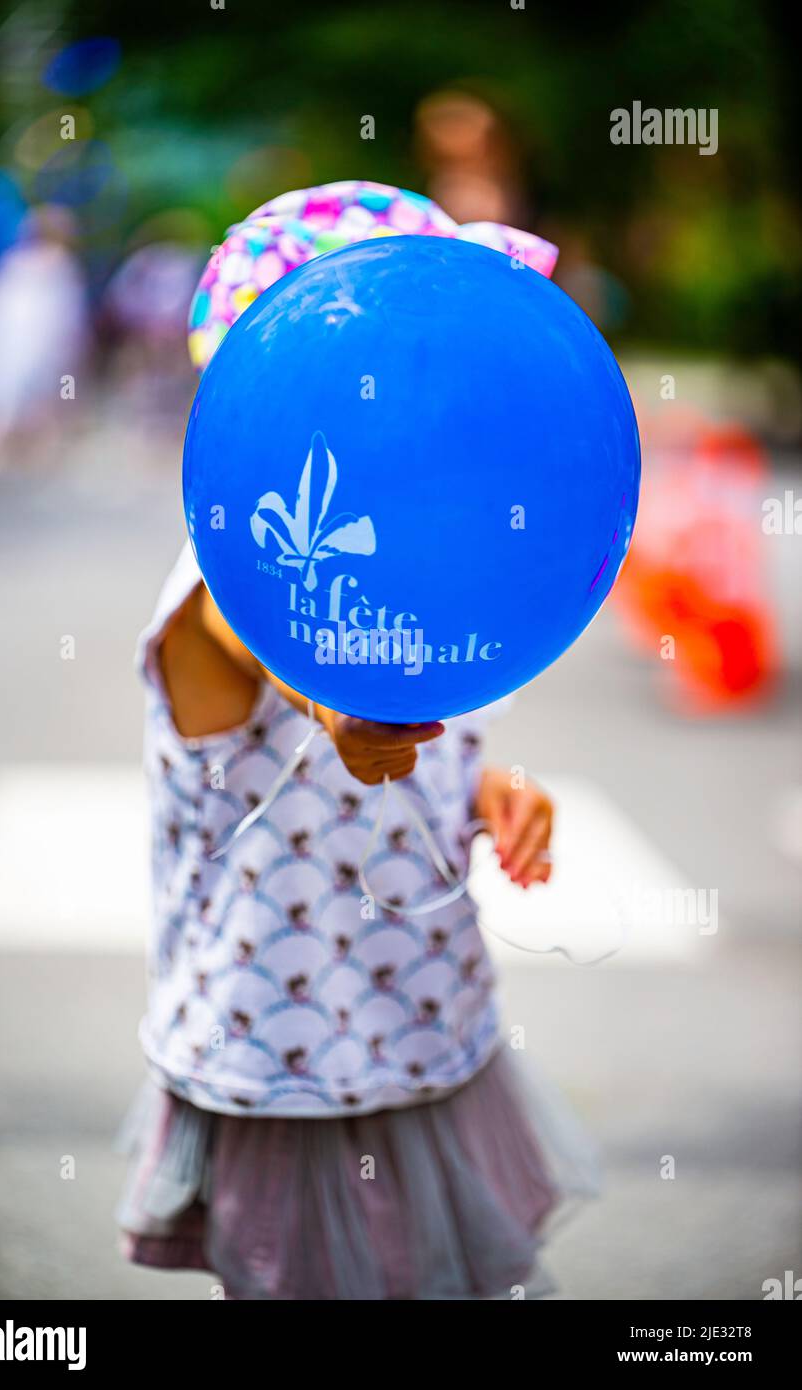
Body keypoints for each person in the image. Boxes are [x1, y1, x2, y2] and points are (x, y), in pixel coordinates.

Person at [116, 181, 599, 1299]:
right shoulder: (221, 588)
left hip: (425, 1030)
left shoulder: (429, 574)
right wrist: (341, 709)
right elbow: (261, 645)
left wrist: (491, 791)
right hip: (285, 1068)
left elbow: (441, 736)